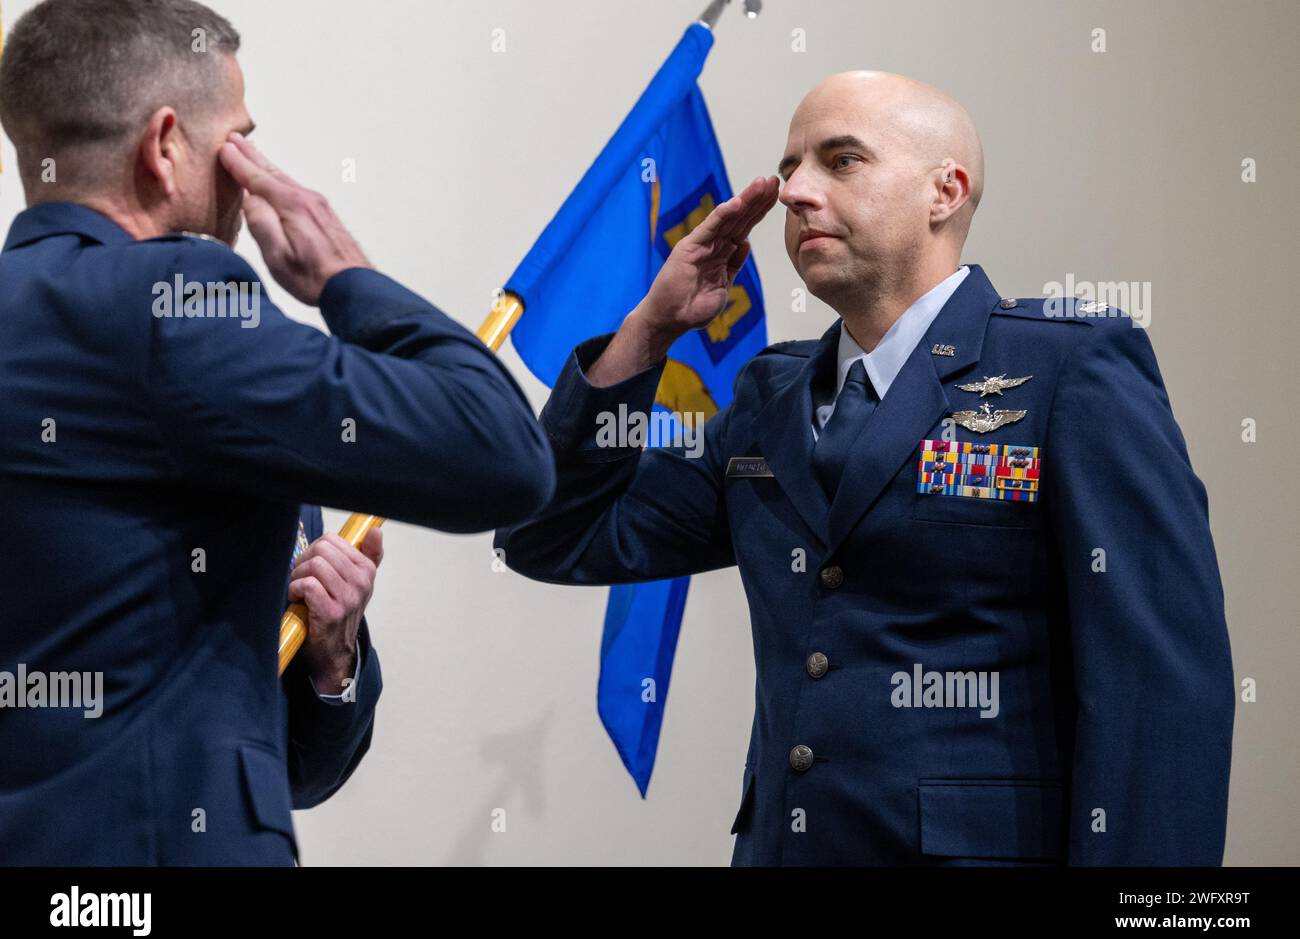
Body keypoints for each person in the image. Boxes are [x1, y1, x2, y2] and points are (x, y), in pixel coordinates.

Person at [495, 71, 1235, 865]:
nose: (796, 192)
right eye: (789, 170)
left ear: (944, 191)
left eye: (840, 161)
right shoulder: (767, 400)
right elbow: (548, 537)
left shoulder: (1067, 369)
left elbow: (1162, 694)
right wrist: (647, 332)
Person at [0, 0, 554, 865]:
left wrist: (330, 663)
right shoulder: (174, 308)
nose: (251, 171)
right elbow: (502, 454)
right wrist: (346, 276)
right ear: (165, 144)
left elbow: (282, 759)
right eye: (241, 142)